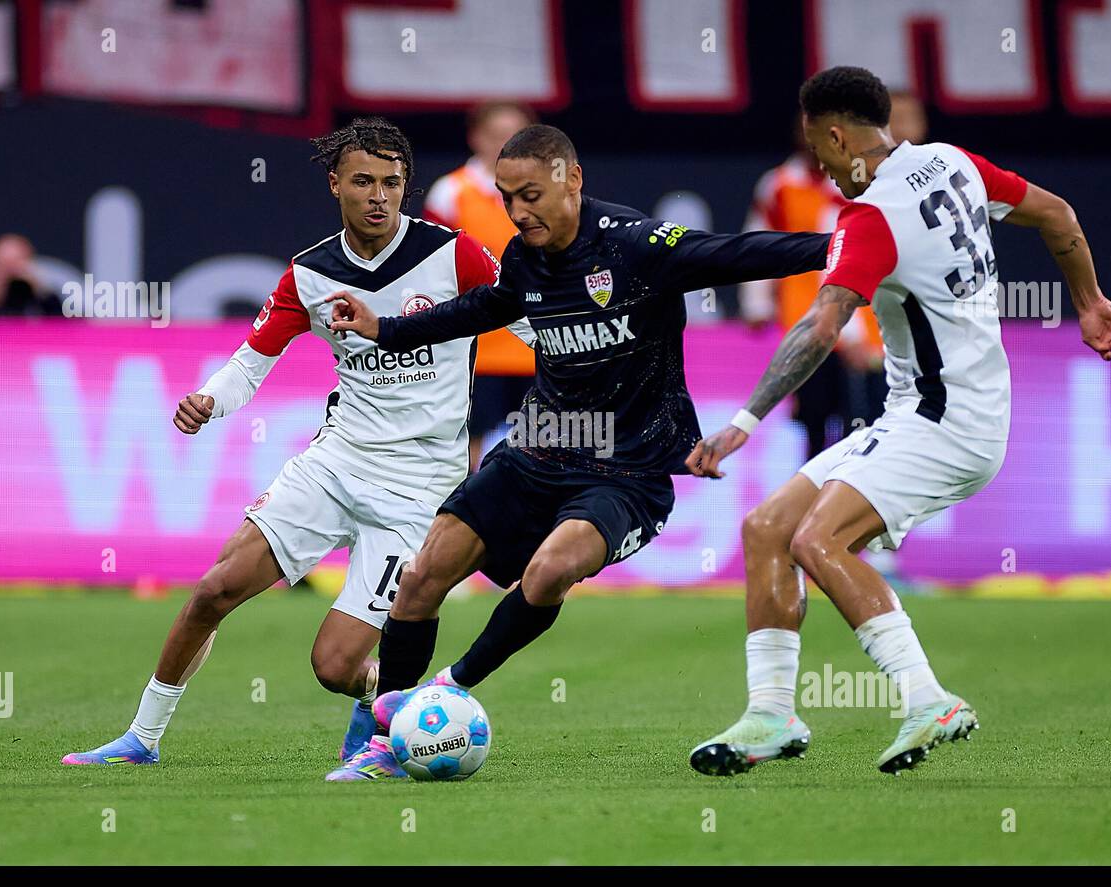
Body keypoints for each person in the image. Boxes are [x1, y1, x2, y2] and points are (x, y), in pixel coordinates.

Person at [321, 123, 829, 781]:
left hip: (629, 472)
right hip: (539, 453)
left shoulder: (637, 245)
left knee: (550, 570)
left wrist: (843, 246)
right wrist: (384, 328)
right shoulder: (526, 257)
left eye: (531, 194)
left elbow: (740, 252)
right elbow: (481, 308)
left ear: (573, 179)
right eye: (507, 197)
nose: (520, 211)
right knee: (420, 579)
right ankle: (377, 736)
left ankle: (445, 688)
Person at [688, 66, 1111, 776]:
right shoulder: (952, 163)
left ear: (837, 135)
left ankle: (927, 698)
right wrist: (1088, 302)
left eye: (821, 151)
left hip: (944, 423)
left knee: (816, 539)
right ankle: (771, 716)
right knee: (767, 529)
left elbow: (821, 324)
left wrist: (744, 420)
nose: (825, 170)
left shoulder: (870, 218)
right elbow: (1057, 214)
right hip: (930, 412)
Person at [60, 117, 533, 770]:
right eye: (363, 181)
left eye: (392, 183)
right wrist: (210, 400)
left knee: (334, 666)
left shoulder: (455, 256)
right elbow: (251, 362)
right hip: (334, 464)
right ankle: (142, 738)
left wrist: (587, 371)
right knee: (214, 590)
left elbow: (530, 322)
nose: (379, 195)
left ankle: (392, 704)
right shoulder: (310, 273)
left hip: (420, 488)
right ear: (335, 183)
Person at [739, 117, 883, 455]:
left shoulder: (860, 184)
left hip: (863, 330)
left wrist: (856, 336)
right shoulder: (780, 184)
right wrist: (756, 304)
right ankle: (813, 498)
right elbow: (759, 243)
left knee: (863, 422)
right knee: (814, 419)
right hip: (804, 323)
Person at [424, 101, 538, 469]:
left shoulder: (548, 192)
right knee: (463, 449)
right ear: (476, 138)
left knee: (543, 448)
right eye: (497, 136)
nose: (506, 145)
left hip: (538, 348)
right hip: (476, 351)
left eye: (517, 136)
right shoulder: (450, 193)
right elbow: (432, 270)